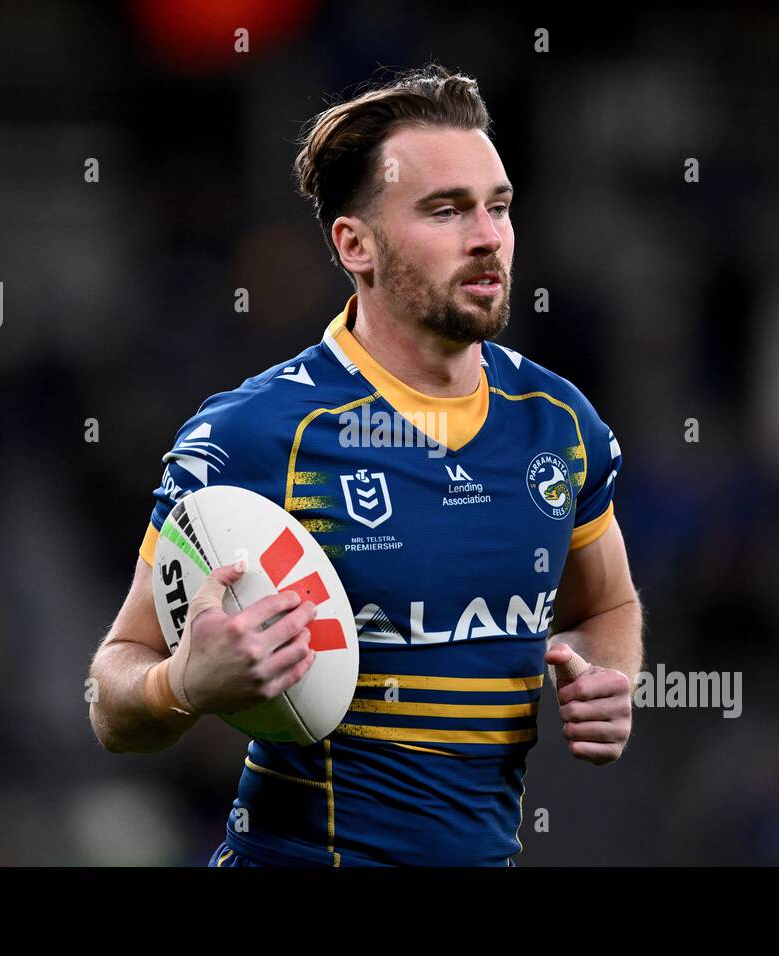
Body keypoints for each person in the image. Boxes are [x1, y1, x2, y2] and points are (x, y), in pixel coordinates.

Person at [88, 63, 643, 867]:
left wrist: (606, 679)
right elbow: (112, 696)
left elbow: (610, 606)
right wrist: (182, 685)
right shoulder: (255, 435)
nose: (487, 236)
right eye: (446, 211)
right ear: (356, 245)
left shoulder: (559, 426)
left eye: (498, 206)